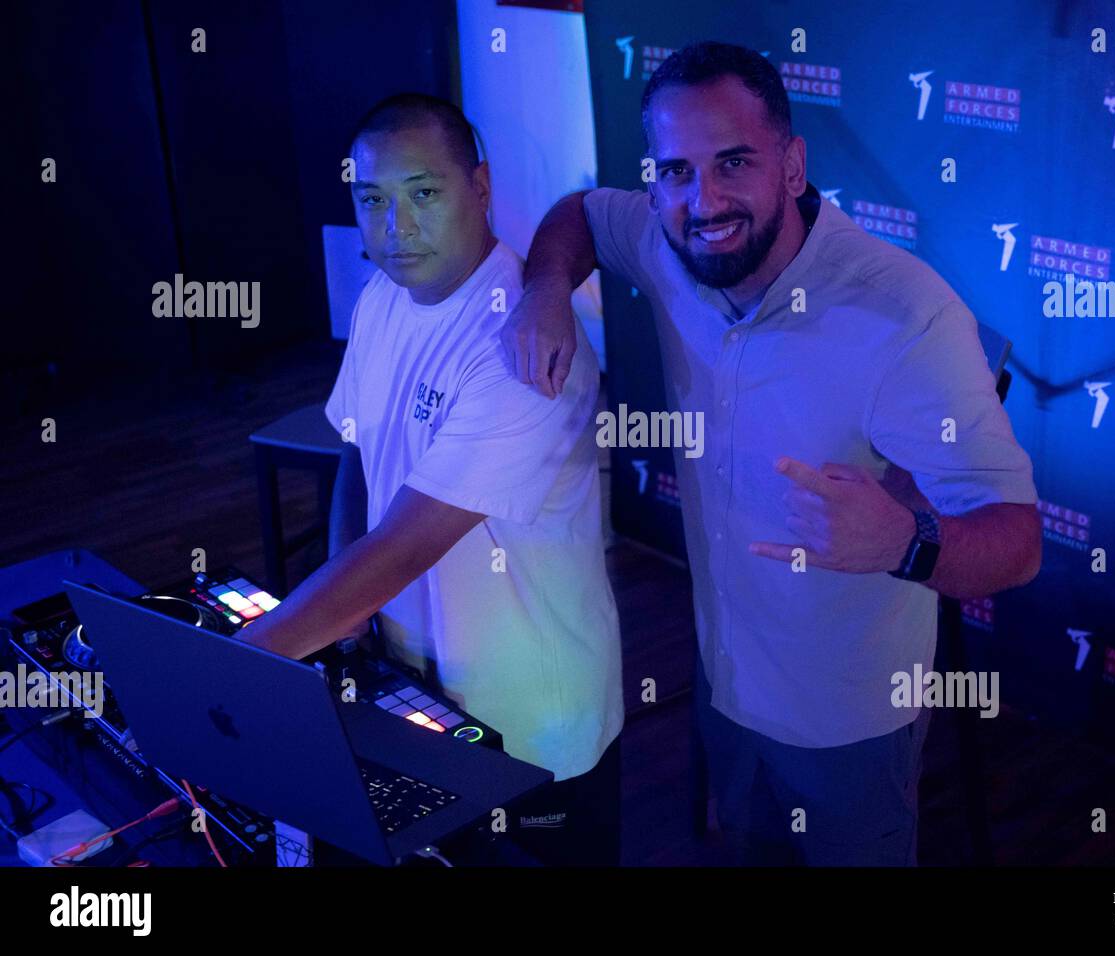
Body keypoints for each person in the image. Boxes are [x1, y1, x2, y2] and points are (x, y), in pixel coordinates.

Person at [502, 43, 1040, 865]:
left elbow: (1017, 542)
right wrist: (545, 290)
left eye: (734, 163)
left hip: (848, 719)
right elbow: (579, 214)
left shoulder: (908, 319)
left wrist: (904, 542)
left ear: (791, 165)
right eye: (676, 171)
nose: (703, 199)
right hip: (724, 681)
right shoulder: (665, 237)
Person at [243, 94, 623, 866]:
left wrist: (241, 667)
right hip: (412, 684)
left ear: (480, 188)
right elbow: (357, 447)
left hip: (532, 718)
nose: (396, 226)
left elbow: (409, 544)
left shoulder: (523, 347)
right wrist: (343, 614)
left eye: (423, 194)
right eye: (372, 201)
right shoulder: (383, 297)